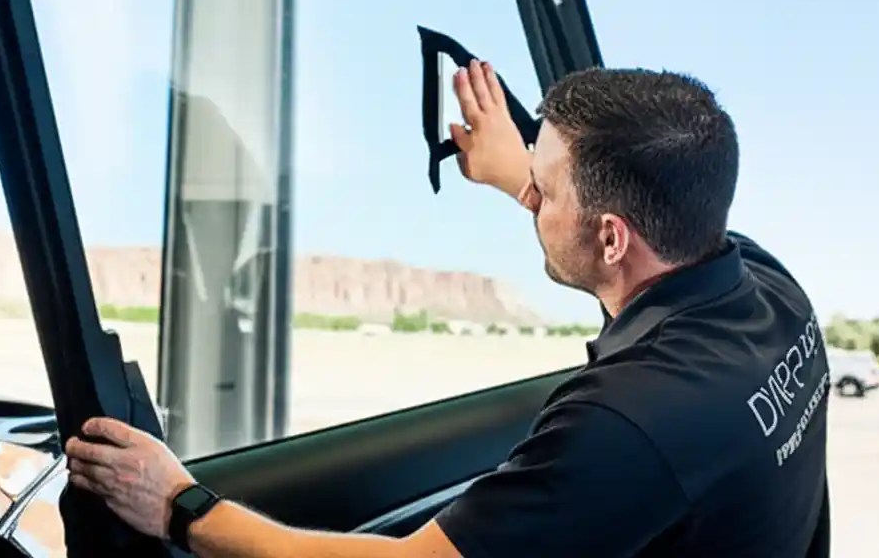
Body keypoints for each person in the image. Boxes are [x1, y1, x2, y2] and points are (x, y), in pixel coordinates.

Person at [65, 61, 832, 557]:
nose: (532, 196)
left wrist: (181, 506)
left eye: (544, 188)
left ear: (610, 235)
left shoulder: (627, 423)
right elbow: (628, 242)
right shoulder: (766, 286)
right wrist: (519, 175)